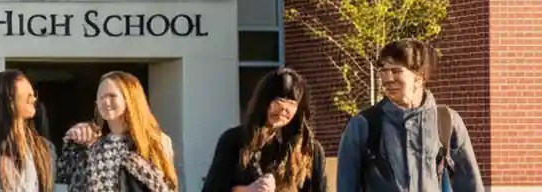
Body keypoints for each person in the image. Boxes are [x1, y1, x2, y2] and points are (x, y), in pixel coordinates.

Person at [335, 39, 483, 192]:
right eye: (383, 72)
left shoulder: (447, 122)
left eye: (396, 71)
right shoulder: (363, 125)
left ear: (419, 77)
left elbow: (471, 185)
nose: (387, 80)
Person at [201, 68, 327, 192]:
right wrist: (247, 190)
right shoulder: (234, 141)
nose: (283, 110)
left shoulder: (309, 150)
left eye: (290, 104)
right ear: (264, 101)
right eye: (278, 102)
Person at [57, 71, 177, 192]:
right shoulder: (93, 147)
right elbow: (64, 180)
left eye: (112, 96)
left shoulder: (155, 141)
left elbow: (166, 185)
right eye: (101, 97)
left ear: (129, 99)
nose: (106, 102)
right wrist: (74, 145)